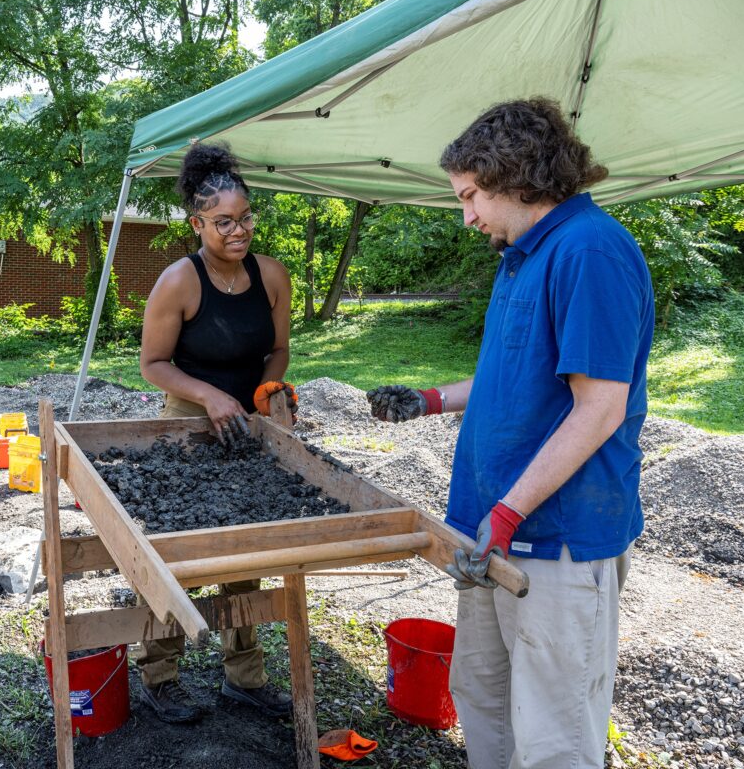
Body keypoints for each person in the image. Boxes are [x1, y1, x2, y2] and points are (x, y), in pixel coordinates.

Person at [367, 98, 653, 769]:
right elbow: (515, 380)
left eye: (471, 196)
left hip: (553, 541)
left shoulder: (591, 252)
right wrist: (430, 399)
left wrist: (508, 510)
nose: (466, 215)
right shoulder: (522, 255)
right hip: (495, 532)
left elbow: (599, 410)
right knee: (484, 699)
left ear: (518, 177)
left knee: (552, 733)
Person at [136, 143, 299, 724]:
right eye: (224, 221)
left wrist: (265, 393)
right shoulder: (178, 282)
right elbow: (152, 363)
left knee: (243, 546)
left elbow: (277, 350)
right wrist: (209, 396)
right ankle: (160, 674)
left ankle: (244, 676)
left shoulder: (272, 276)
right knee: (173, 551)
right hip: (185, 427)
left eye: (246, 218)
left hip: (248, 426)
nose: (239, 231)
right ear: (197, 223)